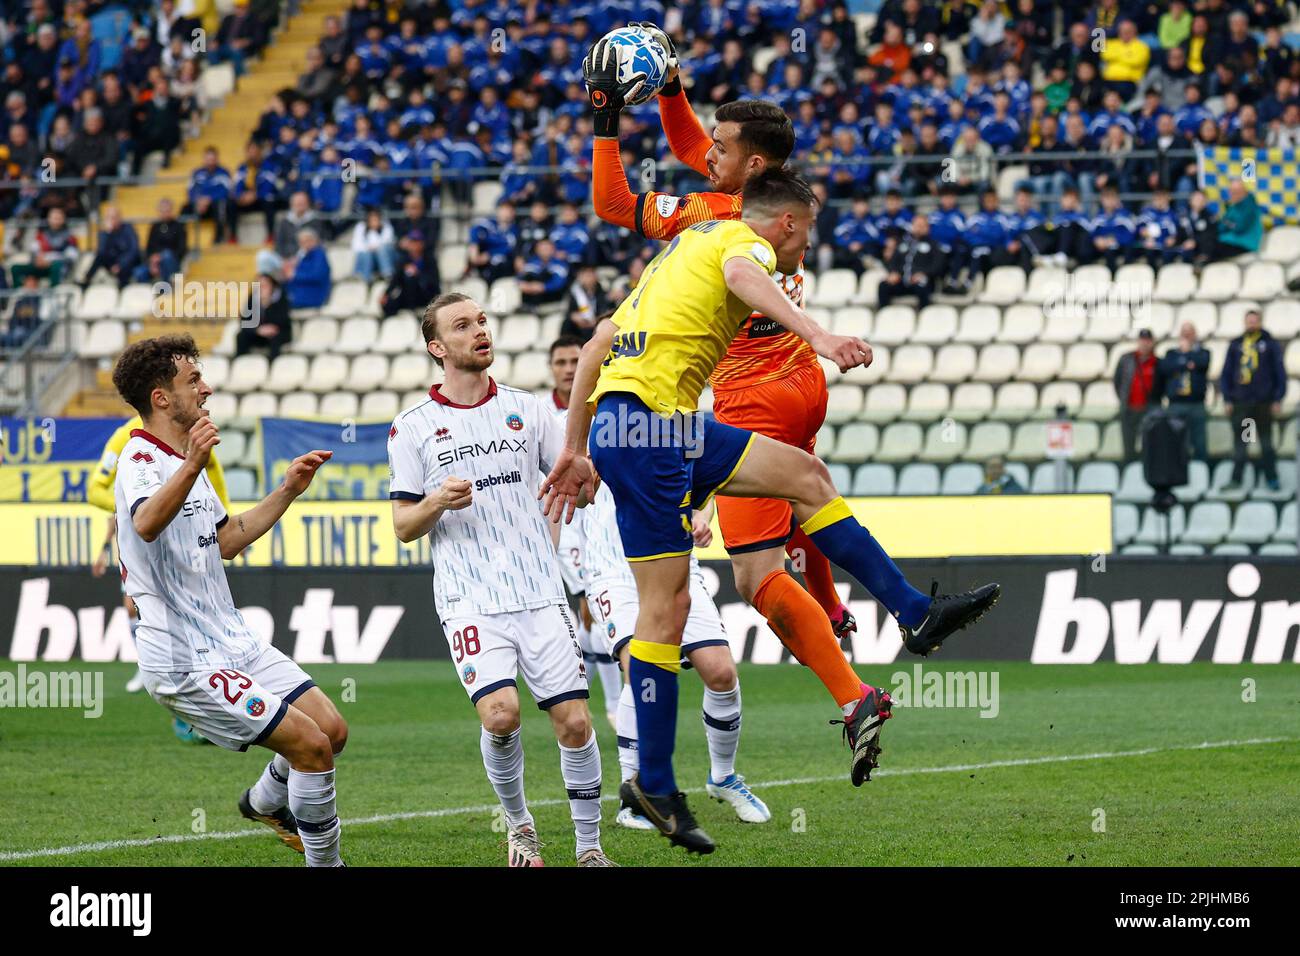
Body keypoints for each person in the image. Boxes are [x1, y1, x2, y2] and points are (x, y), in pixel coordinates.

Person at [544, 167, 1001, 854]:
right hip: (654, 434)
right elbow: (746, 277)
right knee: (662, 611)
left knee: (803, 478)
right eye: (806, 233)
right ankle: (655, 781)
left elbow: (598, 342)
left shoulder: (674, 255)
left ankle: (914, 612)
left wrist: (579, 445)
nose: (802, 252)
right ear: (787, 222)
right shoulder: (743, 243)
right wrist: (817, 335)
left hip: (639, 431)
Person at [586, 30, 871, 748]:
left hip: (751, 390)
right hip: (800, 384)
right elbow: (696, 147)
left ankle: (855, 690)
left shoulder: (712, 216)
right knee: (805, 489)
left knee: (754, 575)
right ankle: (835, 606)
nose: (701, 149)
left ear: (752, 161)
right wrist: (672, 85)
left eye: (720, 142)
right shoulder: (770, 198)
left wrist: (604, 118)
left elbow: (616, 206)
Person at [387, 294, 615, 868]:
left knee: (575, 722)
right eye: (463, 326)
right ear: (438, 348)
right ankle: (521, 829)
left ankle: (589, 850)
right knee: (501, 714)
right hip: (469, 599)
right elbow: (404, 526)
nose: (479, 332)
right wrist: (437, 499)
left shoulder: (527, 408)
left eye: (483, 321)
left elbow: (574, 482)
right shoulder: (413, 427)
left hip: (540, 591)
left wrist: (584, 478)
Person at [110, 334, 345, 866]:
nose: (206, 388)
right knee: (311, 749)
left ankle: (263, 802)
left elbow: (228, 539)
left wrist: (287, 489)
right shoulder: (140, 458)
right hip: (184, 656)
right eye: (193, 380)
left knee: (332, 731)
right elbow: (147, 523)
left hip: (231, 638)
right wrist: (192, 463)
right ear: (161, 398)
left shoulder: (187, 459)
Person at [547, 335, 622, 732]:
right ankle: (604, 698)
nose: (569, 368)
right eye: (560, 362)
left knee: (591, 614)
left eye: (576, 359)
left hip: (598, 524)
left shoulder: (603, 408)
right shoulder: (540, 414)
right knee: (587, 613)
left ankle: (597, 695)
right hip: (564, 525)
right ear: (551, 368)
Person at [1220, 310, 1286, 492]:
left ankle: (1271, 479)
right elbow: (1226, 373)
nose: (1252, 324)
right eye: (1249, 321)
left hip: (1263, 404)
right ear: (1244, 322)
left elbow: (1279, 372)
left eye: (1255, 321)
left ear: (1260, 322)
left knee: (1266, 444)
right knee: (1242, 444)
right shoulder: (1236, 345)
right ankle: (1237, 479)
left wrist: (1278, 397)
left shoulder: (1270, 344)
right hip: (1242, 405)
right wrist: (1227, 398)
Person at [1158, 322, 1210, 462]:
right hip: (1176, 404)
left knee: (1199, 442)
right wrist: (1187, 362)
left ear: (1195, 334)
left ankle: (1202, 473)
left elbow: (1203, 363)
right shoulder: (1171, 353)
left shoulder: (1203, 352)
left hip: (1196, 404)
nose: (1187, 334)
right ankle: (1176, 474)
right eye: (1184, 331)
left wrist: (1186, 355)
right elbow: (1165, 369)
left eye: (1190, 331)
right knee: (1176, 441)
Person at [877, 213, 946, 308]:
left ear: (927, 228)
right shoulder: (903, 243)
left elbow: (938, 266)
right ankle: (884, 314)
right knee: (883, 285)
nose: (918, 228)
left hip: (921, 281)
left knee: (922, 286)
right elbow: (893, 261)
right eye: (916, 225)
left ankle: (923, 315)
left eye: (922, 226)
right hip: (901, 281)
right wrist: (893, 272)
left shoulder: (934, 245)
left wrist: (924, 274)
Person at [1114, 328, 1160, 463]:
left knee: (1149, 446)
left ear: (1152, 343)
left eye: (1148, 341)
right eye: (1142, 340)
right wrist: (1123, 399)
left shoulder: (1157, 362)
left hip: (1149, 409)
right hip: (1129, 409)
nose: (1145, 344)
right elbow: (1118, 382)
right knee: (1128, 447)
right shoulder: (1126, 359)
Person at [82, 205, 140, 289]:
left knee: (128, 265)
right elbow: (101, 251)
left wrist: (120, 265)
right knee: (99, 258)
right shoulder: (104, 233)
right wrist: (107, 233)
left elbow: (133, 250)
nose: (111, 220)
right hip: (111, 263)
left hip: (125, 263)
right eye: (108, 217)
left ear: (119, 217)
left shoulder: (128, 229)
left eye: (113, 217)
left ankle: (122, 287)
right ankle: (86, 280)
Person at [235, 274, 291, 359]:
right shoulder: (252, 299)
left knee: (275, 338)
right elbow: (244, 322)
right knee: (241, 336)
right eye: (259, 286)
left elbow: (282, 321)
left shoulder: (281, 298)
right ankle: (240, 364)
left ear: (272, 286)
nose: (261, 289)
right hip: (259, 333)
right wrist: (257, 330)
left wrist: (267, 304)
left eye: (264, 286)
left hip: (277, 332)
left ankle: (272, 366)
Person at [1212, 179, 1262, 260]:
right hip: (1228, 241)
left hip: (1245, 244)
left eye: (1236, 192)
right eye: (1231, 192)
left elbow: (1239, 228)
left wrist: (1225, 221)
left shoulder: (1250, 206)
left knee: (1212, 249)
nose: (1233, 194)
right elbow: (1221, 228)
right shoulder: (1233, 207)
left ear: (1244, 192)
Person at [561, 265, 610, 343]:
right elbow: (569, 312)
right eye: (585, 275)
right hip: (580, 325)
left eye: (590, 275)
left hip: (596, 324)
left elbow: (606, 311)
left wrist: (595, 321)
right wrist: (574, 317)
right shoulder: (574, 292)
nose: (588, 278)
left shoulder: (602, 292)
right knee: (567, 324)